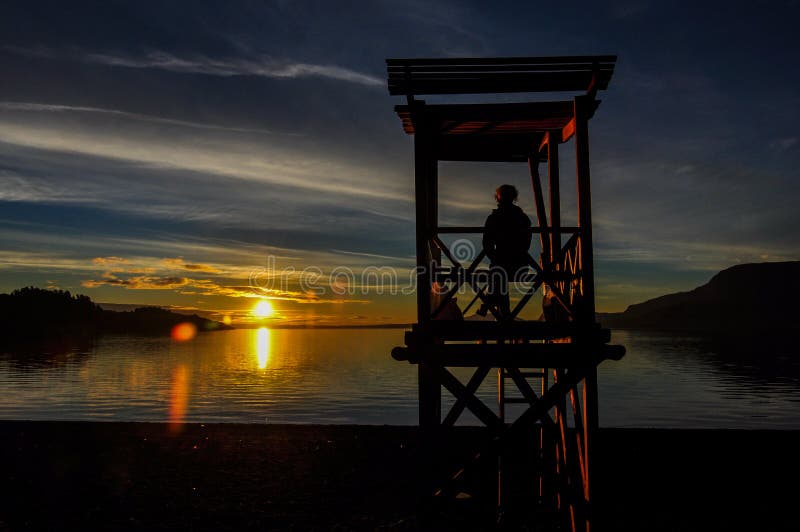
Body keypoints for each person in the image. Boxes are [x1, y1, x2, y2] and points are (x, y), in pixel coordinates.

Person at [478, 184, 532, 319]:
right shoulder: (523, 218)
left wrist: (496, 258)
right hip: (520, 265)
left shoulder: (494, 218)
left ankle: (491, 304)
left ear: (497, 198)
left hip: (500, 266)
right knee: (499, 276)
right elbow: (526, 244)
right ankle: (500, 311)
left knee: (498, 274)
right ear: (514, 198)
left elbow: (487, 245)